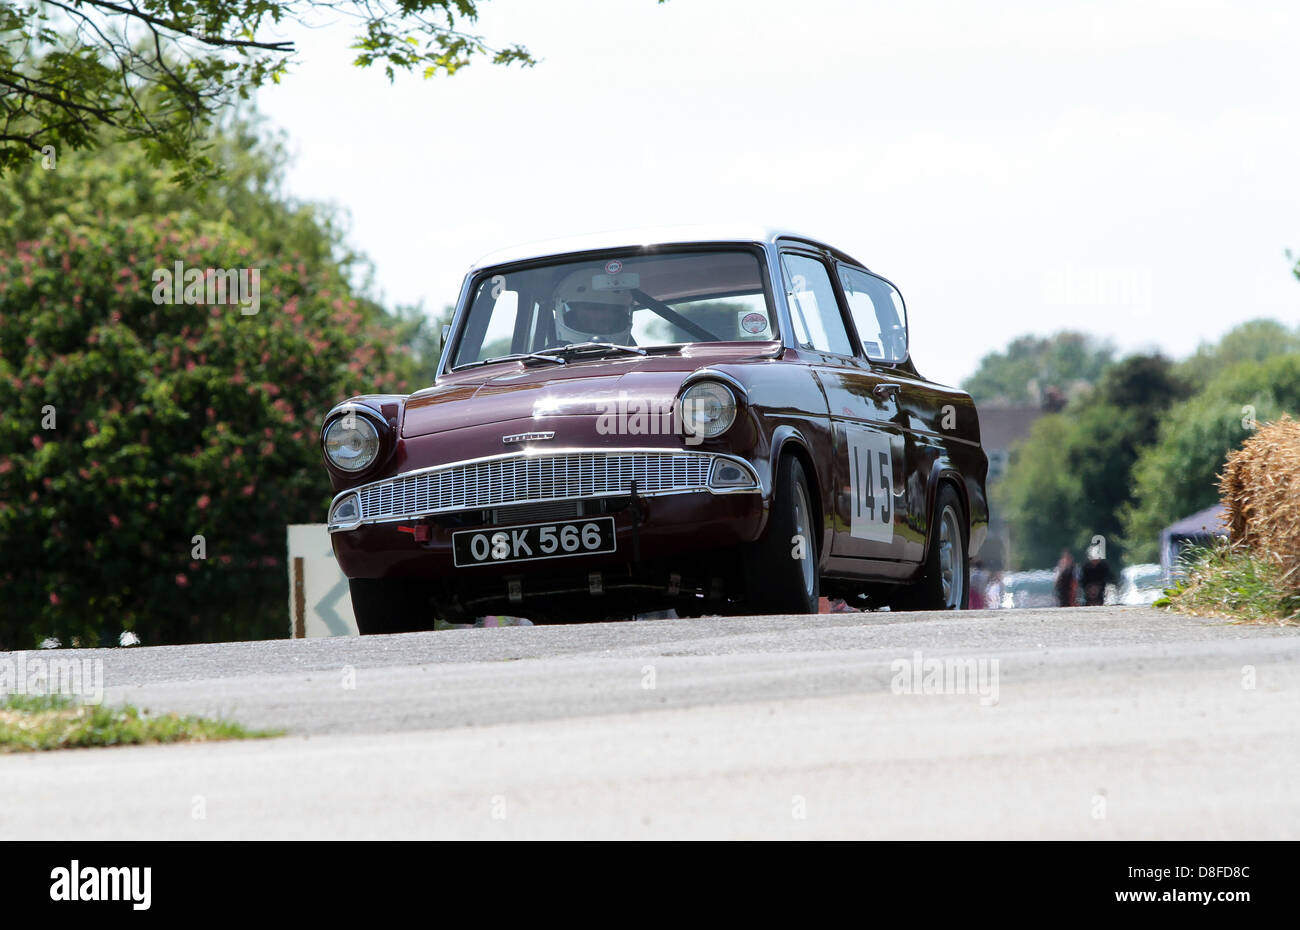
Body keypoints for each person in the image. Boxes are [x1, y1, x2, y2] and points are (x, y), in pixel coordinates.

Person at [552, 267, 636, 345]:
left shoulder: (642, 358)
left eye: (613, 309)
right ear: (574, 312)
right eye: (592, 307)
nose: (600, 314)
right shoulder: (545, 359)